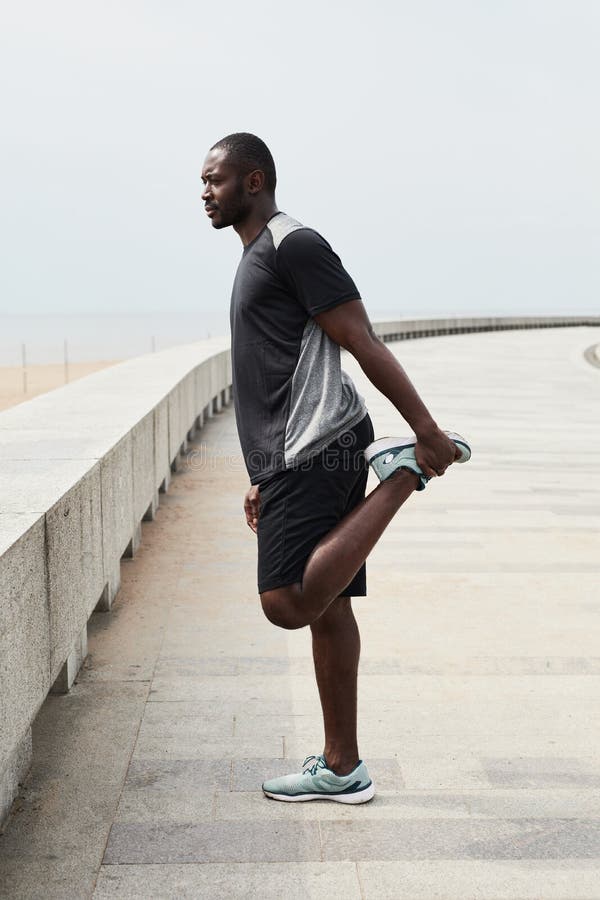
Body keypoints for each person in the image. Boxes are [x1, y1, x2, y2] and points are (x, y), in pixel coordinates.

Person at [201, 133, 470, 804]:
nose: (205, 192)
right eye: (203, 182)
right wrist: (263, 472)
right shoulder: (258, 255)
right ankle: (343, 764)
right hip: (300, 447)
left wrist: (426, 431)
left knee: (287, 601)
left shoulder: (295, 244)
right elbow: (272, 370)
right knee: (330, 605)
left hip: (317, 443)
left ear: (254, 181)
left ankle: (406, 472)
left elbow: (361, 337)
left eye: (216, 180)